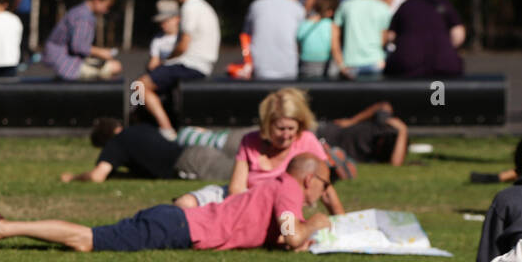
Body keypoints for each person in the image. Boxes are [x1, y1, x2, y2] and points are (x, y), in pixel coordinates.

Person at [0, 152, 332, 253]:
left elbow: (285, 239)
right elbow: (293, 236)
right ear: (309, 176)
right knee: (87, 240)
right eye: (325, 185)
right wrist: (317, 223)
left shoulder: (281, 188)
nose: (324, 195)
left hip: (179, 223)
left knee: (90, 238)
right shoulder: (289, 190)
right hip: (179, 227)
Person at [174, 87, 342, 213]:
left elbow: (325, 189)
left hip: (281, 209)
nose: (286, 135)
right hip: (243, 201)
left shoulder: (307, 141)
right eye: (280, 129)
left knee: (289, 233)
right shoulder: (249, 141)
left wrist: (342, 222)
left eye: (291, 129)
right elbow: (236, 190)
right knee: (184, 204)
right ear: (267, 126)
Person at [134, 0, 219, 137]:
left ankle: (165, 129)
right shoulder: (204, 7)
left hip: (189, 63)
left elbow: (183, 45)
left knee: (139, 85)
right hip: (200, 63)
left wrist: (167, 61)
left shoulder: (190, 8)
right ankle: (142, 118)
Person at [59, 117, 241, 183]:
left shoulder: (116, 143)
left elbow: (98, 176)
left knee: (242, 174)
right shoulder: (140, 128)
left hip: (190, 164)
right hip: (197, 150)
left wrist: (73, 177)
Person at [385, 0, 464, 78]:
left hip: (407, 65)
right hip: (445, 65)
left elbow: (391, 36)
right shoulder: (444, 5)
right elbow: (458, 35)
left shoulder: (406, 6)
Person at [42, 0, 121, 81]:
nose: (106, 11)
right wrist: (101, 52)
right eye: (107, 6)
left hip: (59, 58)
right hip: (66, 63)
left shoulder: (80, 11)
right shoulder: (84, 17)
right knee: (115, 67)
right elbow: (78, 46)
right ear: (97, 0)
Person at [314, 100, 409, 173]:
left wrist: (403, 131)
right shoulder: (383, 127)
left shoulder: (384, 154)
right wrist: (352, 121)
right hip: (326, 131)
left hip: (327, 150)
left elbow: (396, 164)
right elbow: (383, 105)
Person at [332, 0, 391, 77]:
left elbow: (334, 35)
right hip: (377, 62)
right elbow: (384, 37)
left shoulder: (346, 6)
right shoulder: (383, 8)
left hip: (351, 63)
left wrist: (340, 63)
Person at [244, 0, 305, 81]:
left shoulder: (257, 4)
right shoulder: (297, 8)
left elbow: (247, 33)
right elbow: (302, 39)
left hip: (260, 68)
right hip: (288, 69)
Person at [297, 0, 335, 79]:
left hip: (305, 63)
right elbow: (335, 48)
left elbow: (298, 45)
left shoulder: (303, 24)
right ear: (329, 11)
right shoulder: (330, 24)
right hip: (324, 63)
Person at [147, 0, 180, 70]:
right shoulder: (158, 39)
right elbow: (152, 64)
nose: (163, 25)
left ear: (177, 18)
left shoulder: (184, 38)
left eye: (166, 20)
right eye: (161, 22)